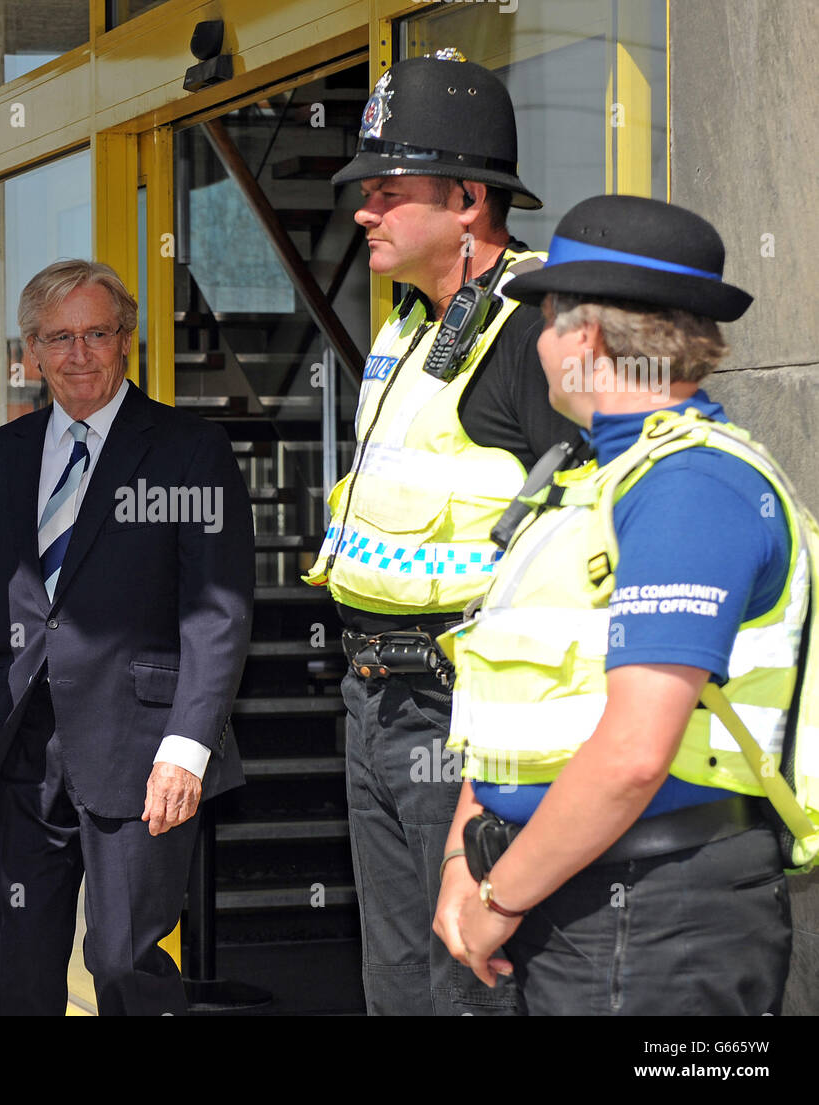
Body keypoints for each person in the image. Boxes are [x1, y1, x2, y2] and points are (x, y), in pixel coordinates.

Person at [434, 194, 797, 1015]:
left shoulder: (690, 487)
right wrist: (464, 859)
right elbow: (513, 703)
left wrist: (498, 898)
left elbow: (634, 753)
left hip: (656, 913)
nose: (538, 342)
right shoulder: (592, 481)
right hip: (566, 894)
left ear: (587, 339)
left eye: (545, 320)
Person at [302, 50, 577, 1015]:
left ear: (468, 200)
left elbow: (583, 548)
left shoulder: (537, 328)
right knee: (399, 989)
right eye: (363, 190)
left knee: (468, 983)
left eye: (388, 190)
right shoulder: (410, 324)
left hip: (463, 715)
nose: (364, 211)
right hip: (376, 700)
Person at [0, 259, 253, 1015]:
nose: (79, 354)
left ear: (126, 340)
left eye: (96, 334)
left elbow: (219, 612)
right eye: (58, 338)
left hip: (141, 751)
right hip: (21, 748)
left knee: (123, 958)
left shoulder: (188, 449)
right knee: (19, 959)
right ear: (33, 352)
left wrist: (188, 747)